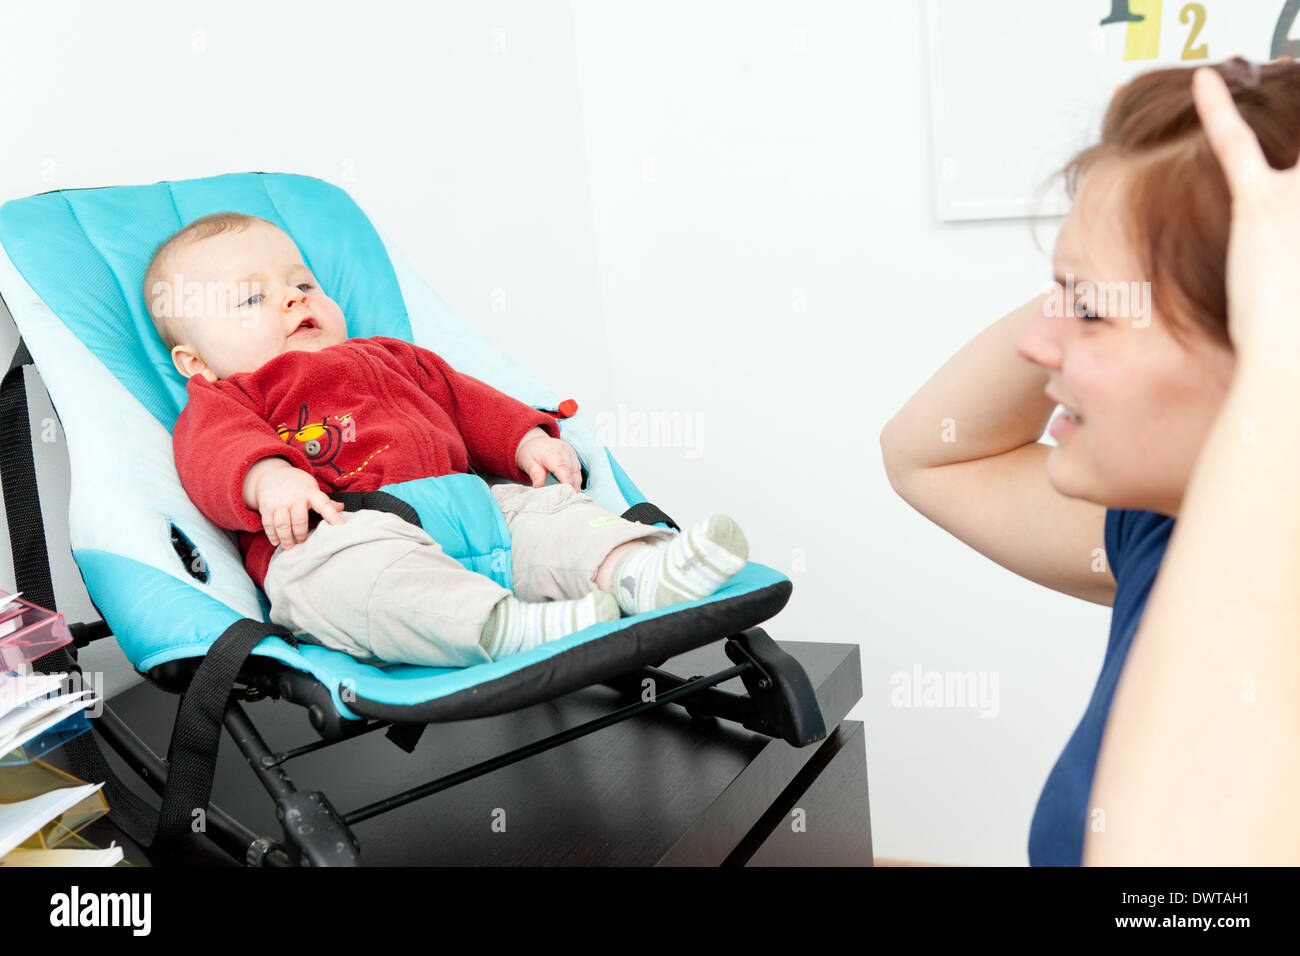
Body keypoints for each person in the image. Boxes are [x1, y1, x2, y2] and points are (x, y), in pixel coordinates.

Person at [880, 56, 1300, 865]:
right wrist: (1136, 213)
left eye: (1091, 312)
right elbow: (927, 456)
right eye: (1055, 294)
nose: (1037, 342)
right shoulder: (1169, 532)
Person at [145, 213, 749, 668]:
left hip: (473, 506)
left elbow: (465, 400)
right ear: (195, 362)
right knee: (344, 585)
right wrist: (268, 478)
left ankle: (637, 571)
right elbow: (212, 454)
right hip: (346, 533)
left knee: (551, 512)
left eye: (302, 282)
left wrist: (523, 441)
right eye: (254, 297)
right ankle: (503, 628)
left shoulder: (390, 356)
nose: (293, 297)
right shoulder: (226, 398)